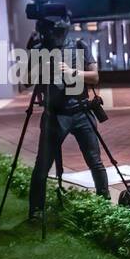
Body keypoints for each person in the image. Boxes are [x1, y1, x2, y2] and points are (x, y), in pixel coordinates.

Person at [27, 12, 108, 218]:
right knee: (42, 165)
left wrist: (73, 72)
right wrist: (38, 67)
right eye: (54, 32)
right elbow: (26, 81)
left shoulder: (80, 45)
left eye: (61, 31)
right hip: (55, 115)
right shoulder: (39, 50)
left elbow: (95, 77)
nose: (58, 36)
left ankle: (104, 204)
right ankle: (36, 210)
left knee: (95, 161)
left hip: (81, 111)